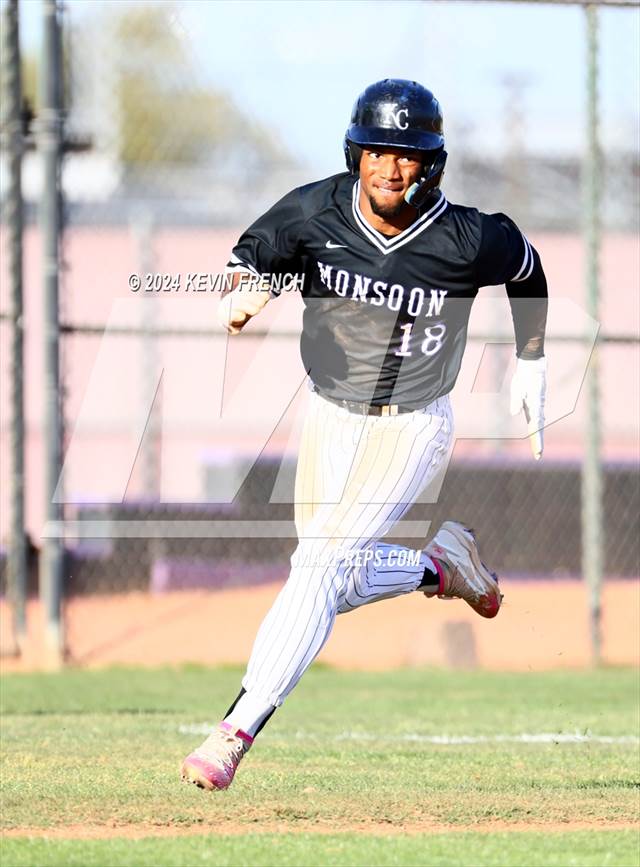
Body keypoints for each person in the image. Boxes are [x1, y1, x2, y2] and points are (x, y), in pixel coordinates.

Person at [181, 79, 548, 791]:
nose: (389, 167)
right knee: (330, 572)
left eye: (407, 154)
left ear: (430, 164)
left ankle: (235, 730)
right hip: (328, 416)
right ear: (356, 152)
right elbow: (249, 257)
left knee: (315, 567)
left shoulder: (465, 236)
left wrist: (531, 358)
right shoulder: (317, 209)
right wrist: (241, 293)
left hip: (412, 425)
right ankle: (440, 568)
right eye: (377, 149)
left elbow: (527, 268)